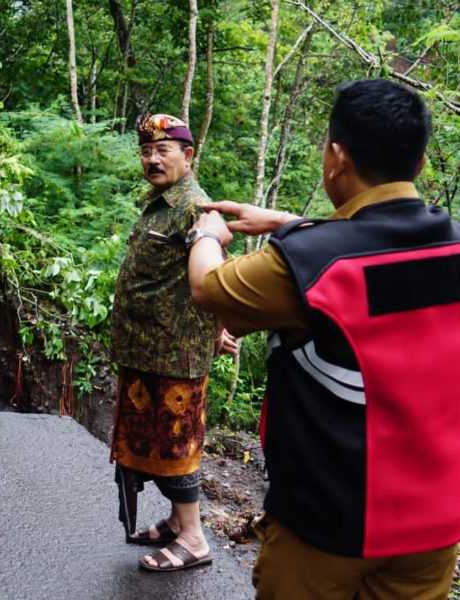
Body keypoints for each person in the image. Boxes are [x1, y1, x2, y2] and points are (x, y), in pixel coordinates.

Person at [187, 79, 460, 598]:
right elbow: (380, 257)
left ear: (336, 156)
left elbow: (208, 288)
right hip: (435, 527)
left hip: (329, 525)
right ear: (421, 163)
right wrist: (294, 224)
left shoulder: (307, 268)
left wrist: (206, 233)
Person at [109, 113, 238, 572]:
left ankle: (194, 539)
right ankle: (174, 521)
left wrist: (223, 325)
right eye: (146, 151)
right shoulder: (162, 202)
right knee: (155, 442)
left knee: (176, 445)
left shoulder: (195, 207)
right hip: (147, 350)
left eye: (162, 151)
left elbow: (217, 269)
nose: (151, 159)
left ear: (187, 155)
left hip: (174, 354)